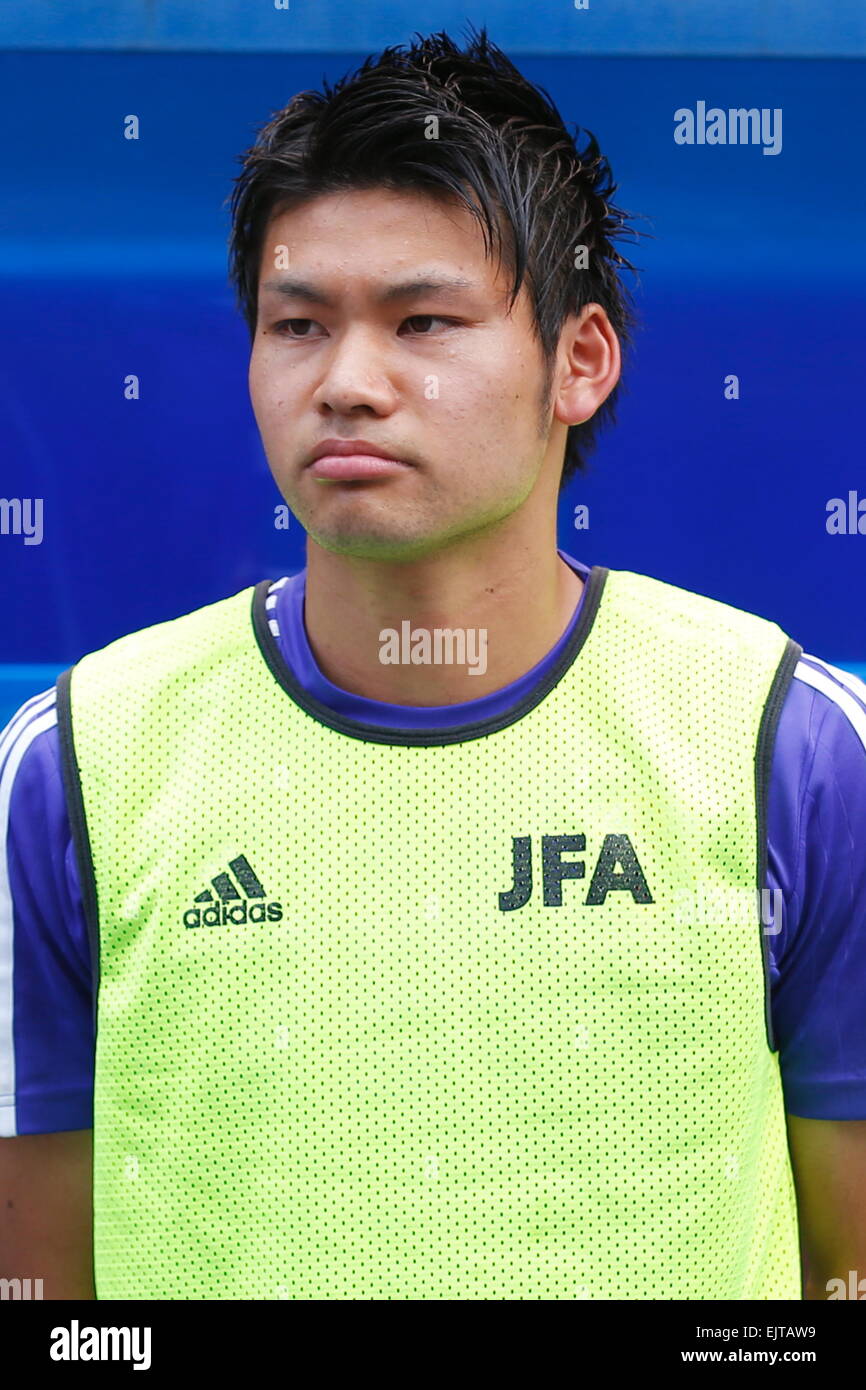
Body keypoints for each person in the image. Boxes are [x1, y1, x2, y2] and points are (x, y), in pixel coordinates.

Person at [2, 25, 865, 1301]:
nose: (348, 382)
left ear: (576, 361)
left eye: (421, 320)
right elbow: (48, 1301)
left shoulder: (779, 743)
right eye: (297, 324)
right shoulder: (79, 759)